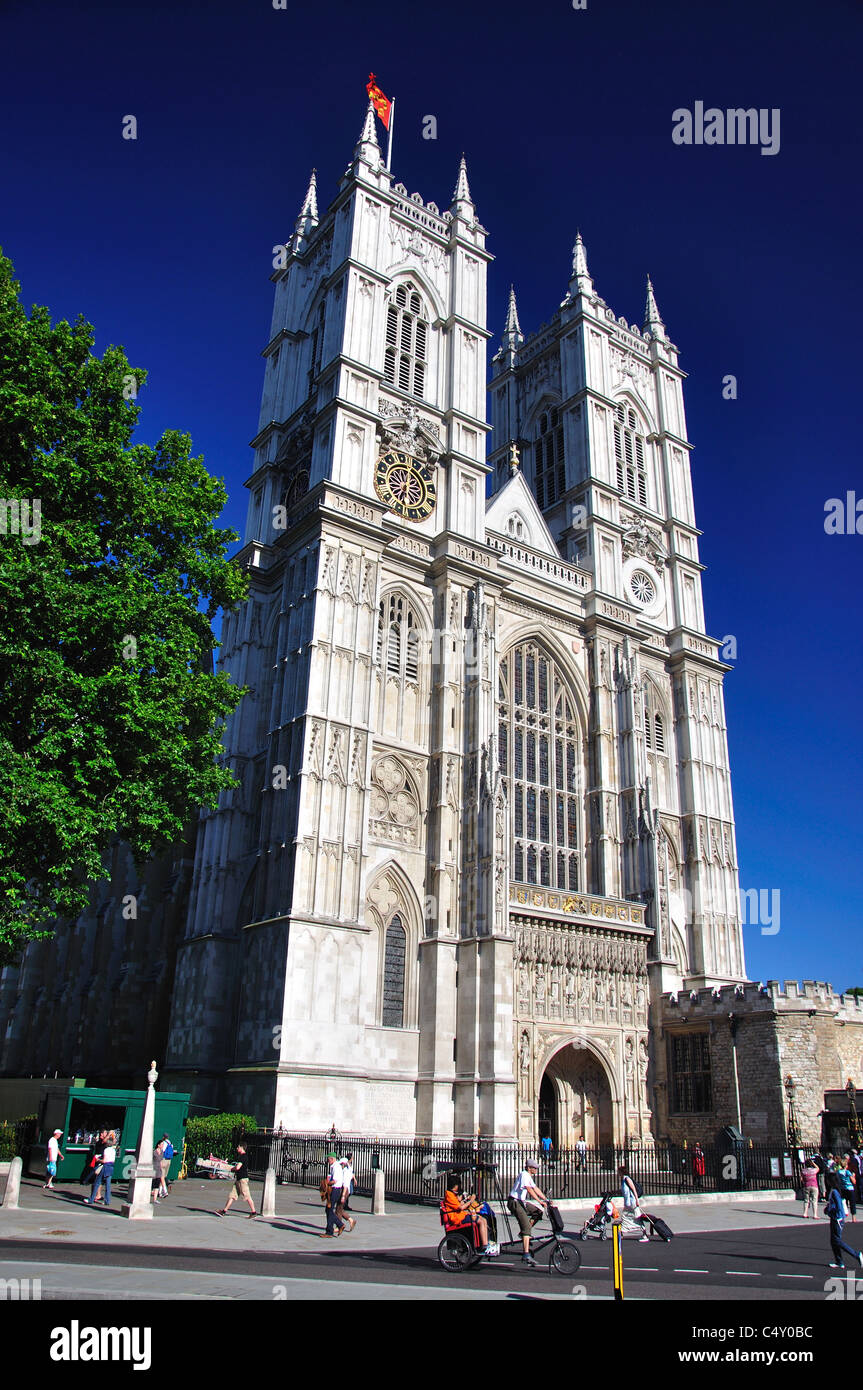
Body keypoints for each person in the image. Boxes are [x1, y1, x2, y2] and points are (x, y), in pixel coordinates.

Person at [507, 1158, 548, 1267]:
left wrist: (546, 1199)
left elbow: (535, 1188)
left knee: (538, 1212)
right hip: (515, 1202)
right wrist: (540, 1201)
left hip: (522, 1202)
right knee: (526, 1227)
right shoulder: (524, 1175)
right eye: (535, 1168)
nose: (537, 1170)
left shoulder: (528, 1176)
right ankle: (526, 1254)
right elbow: (529, 1189)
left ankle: (523, 1233)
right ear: (529, 1168)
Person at [443, 1174, 494, 1255]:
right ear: (455, 1185)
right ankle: (484, 1246)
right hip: (457, 1218)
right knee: (480, 1221)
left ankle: (485, 1243)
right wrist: (471, 1201)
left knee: (483, 1219)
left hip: (461, 1215)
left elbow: (459, 1203)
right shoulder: (449, 1194)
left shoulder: (452, 1194)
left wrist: (466, 1199)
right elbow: (461, 1207)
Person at [826, 1177, 863, 1270]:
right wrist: (828, 1209)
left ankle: (857, 1255)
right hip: (834, 1218)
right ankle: (839, 1262)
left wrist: (831, 1212)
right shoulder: (833, 1191)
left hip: (837, 1219)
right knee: (833, 1241)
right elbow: (832, 1204)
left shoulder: (834, 1191)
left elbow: (838, 1206)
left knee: (837, 1241)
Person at [216, 1145, 257, 1219]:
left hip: (242, 1179)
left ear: (242, 1147)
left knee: (247, 1196)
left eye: (238, 1147)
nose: (237, 1148)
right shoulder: (243, 1156)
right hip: (239, 1179)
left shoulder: (243, 1157)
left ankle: (254, 1212)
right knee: (232, 1195)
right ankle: (224, 1211)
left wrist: (232, 1169)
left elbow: (238, 1167)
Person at [321, 1151, 355, 1238]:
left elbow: (335, 1181)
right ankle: (331, 1229)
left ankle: (336, 1227)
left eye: (328, 1159)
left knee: (330, 1209)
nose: (327, 1160)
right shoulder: (335, 1167)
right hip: (336, 1190)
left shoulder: (336, 1167)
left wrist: (327, 1183)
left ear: (332, 1159)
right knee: (329, 1210)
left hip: (335, 1190)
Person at [618, 1164, 650, 1241]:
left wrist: (637, 1200)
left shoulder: (627, 1179)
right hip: (628, 1204)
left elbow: (634, 1190)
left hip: (632, 1203)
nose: (618, 1173)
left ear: (622, 1172)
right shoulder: (623, 1180)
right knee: (625, 1217)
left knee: (637, 1217)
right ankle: (621, 1233)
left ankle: (645, 1235)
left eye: (619, 1171)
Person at [88, 1131, 116, 1207]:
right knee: (108, 1185)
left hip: (105, 1166)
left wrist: (98, 1160)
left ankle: (91, 1199)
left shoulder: (106, 1150)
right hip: (111, 1167)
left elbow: (104, 1160)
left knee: (97, 1183)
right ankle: (107, 1200)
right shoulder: (113, 1150)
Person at [836, 1154, 857, 1222]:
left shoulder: (839, 1172)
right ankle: (853, 1217)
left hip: (843, 1188)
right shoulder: (847, 1172)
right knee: (852, 1203)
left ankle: (843, 1215)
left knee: (843, 1202)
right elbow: (853, 1181)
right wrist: (853, 1176)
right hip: (850, 1188)